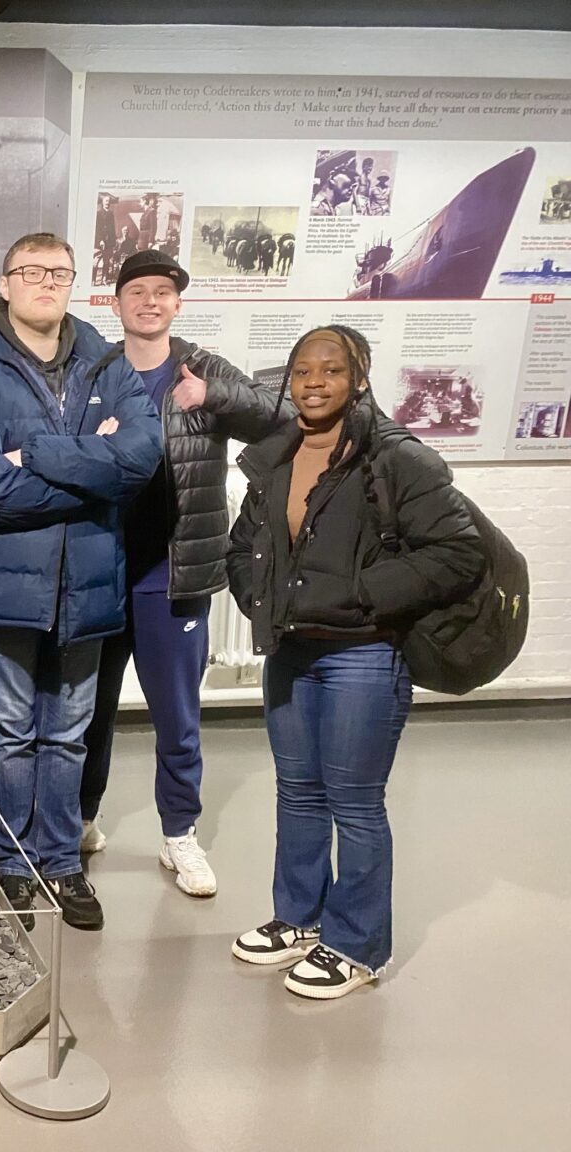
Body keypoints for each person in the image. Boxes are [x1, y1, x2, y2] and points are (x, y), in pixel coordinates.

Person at [226, 325, 483, 999]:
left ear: (359, 378)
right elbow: (244, 544)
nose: (314, 382)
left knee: (356, 804)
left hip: (363, 655)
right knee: (297, 792)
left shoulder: (396, 458)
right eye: (302, 370)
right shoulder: (277, 453)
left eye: (331, 369)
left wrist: (362, 596)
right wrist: (256, 594)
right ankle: (299, 919)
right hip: (291, 650)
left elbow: (458, 553)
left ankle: (356, 945)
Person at [0, 232, 162, 930]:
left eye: (59, 273)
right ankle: (14, 865)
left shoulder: (108, 364)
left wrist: (34, 452)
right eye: (31, 271)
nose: (45, 282)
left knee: (68, 735)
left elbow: (140, 459)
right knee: (8, 733)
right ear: (5, 284)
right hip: (3, 587)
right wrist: (91, 467)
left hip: (87, 584)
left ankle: (62, 863)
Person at [79, 250, 288, 897]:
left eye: (162, 291)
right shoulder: (95, 371)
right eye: (137, 291)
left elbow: (278, 416)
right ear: (116, 302)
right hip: (101, 573)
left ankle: (179, 835)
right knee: (88, 714)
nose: (150, 301)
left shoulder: (202, 368)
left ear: (176, 303)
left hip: (174, 576)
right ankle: (81, 820)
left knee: (177, 717)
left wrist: (211, 395)